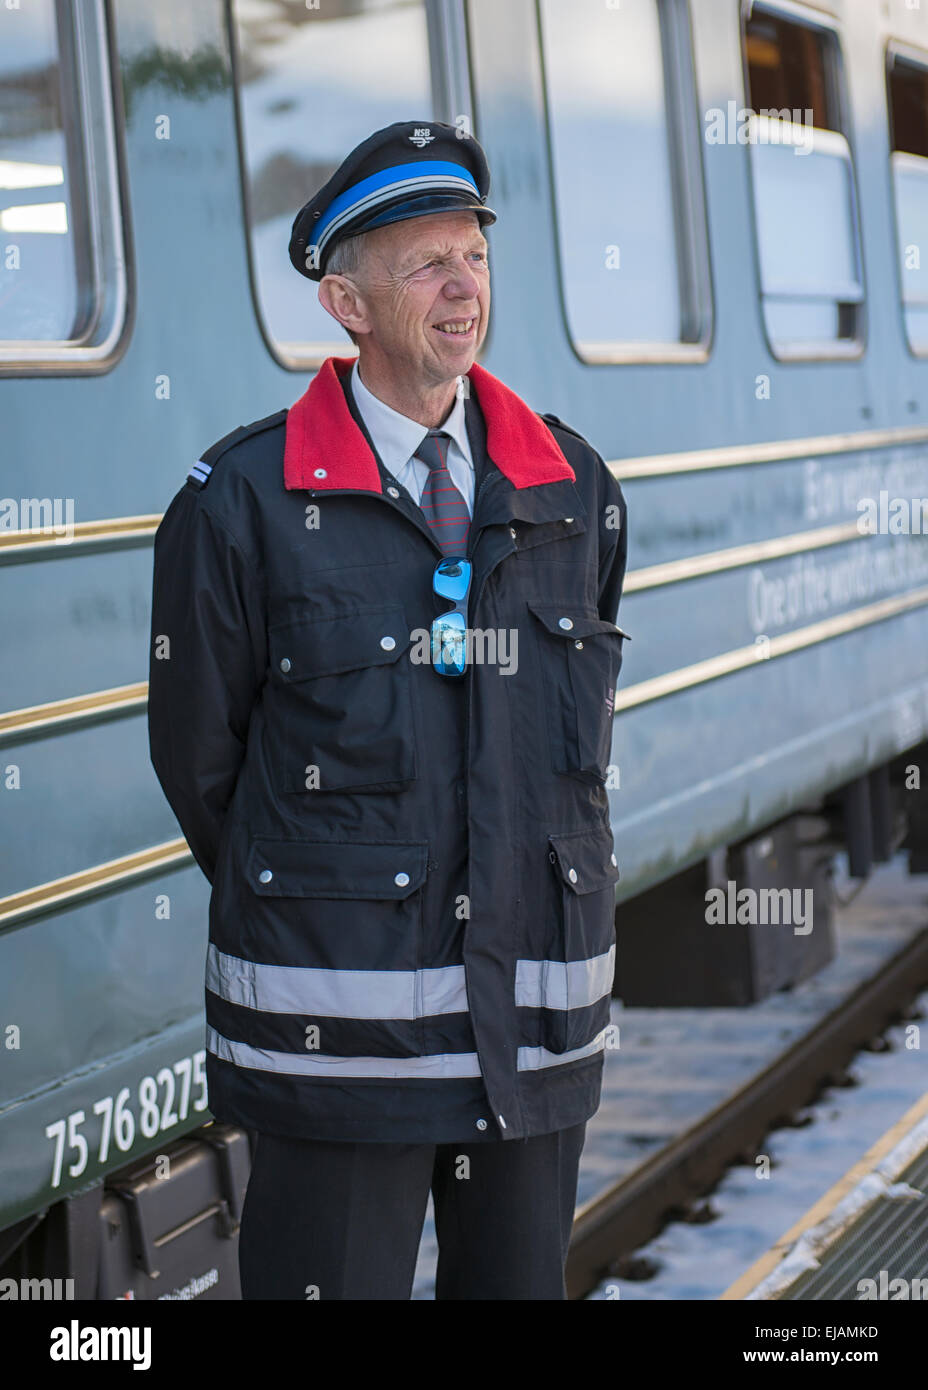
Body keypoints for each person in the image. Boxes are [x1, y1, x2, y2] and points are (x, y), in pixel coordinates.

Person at [148, 119, 629, 1300]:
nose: (463, 287)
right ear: (347, 303)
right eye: (426, 264)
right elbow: (204, 764)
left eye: (473, 256)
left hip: (532, 1028)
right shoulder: (240, 505)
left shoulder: (573, 487)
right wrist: (331, 897)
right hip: (337, 1047)